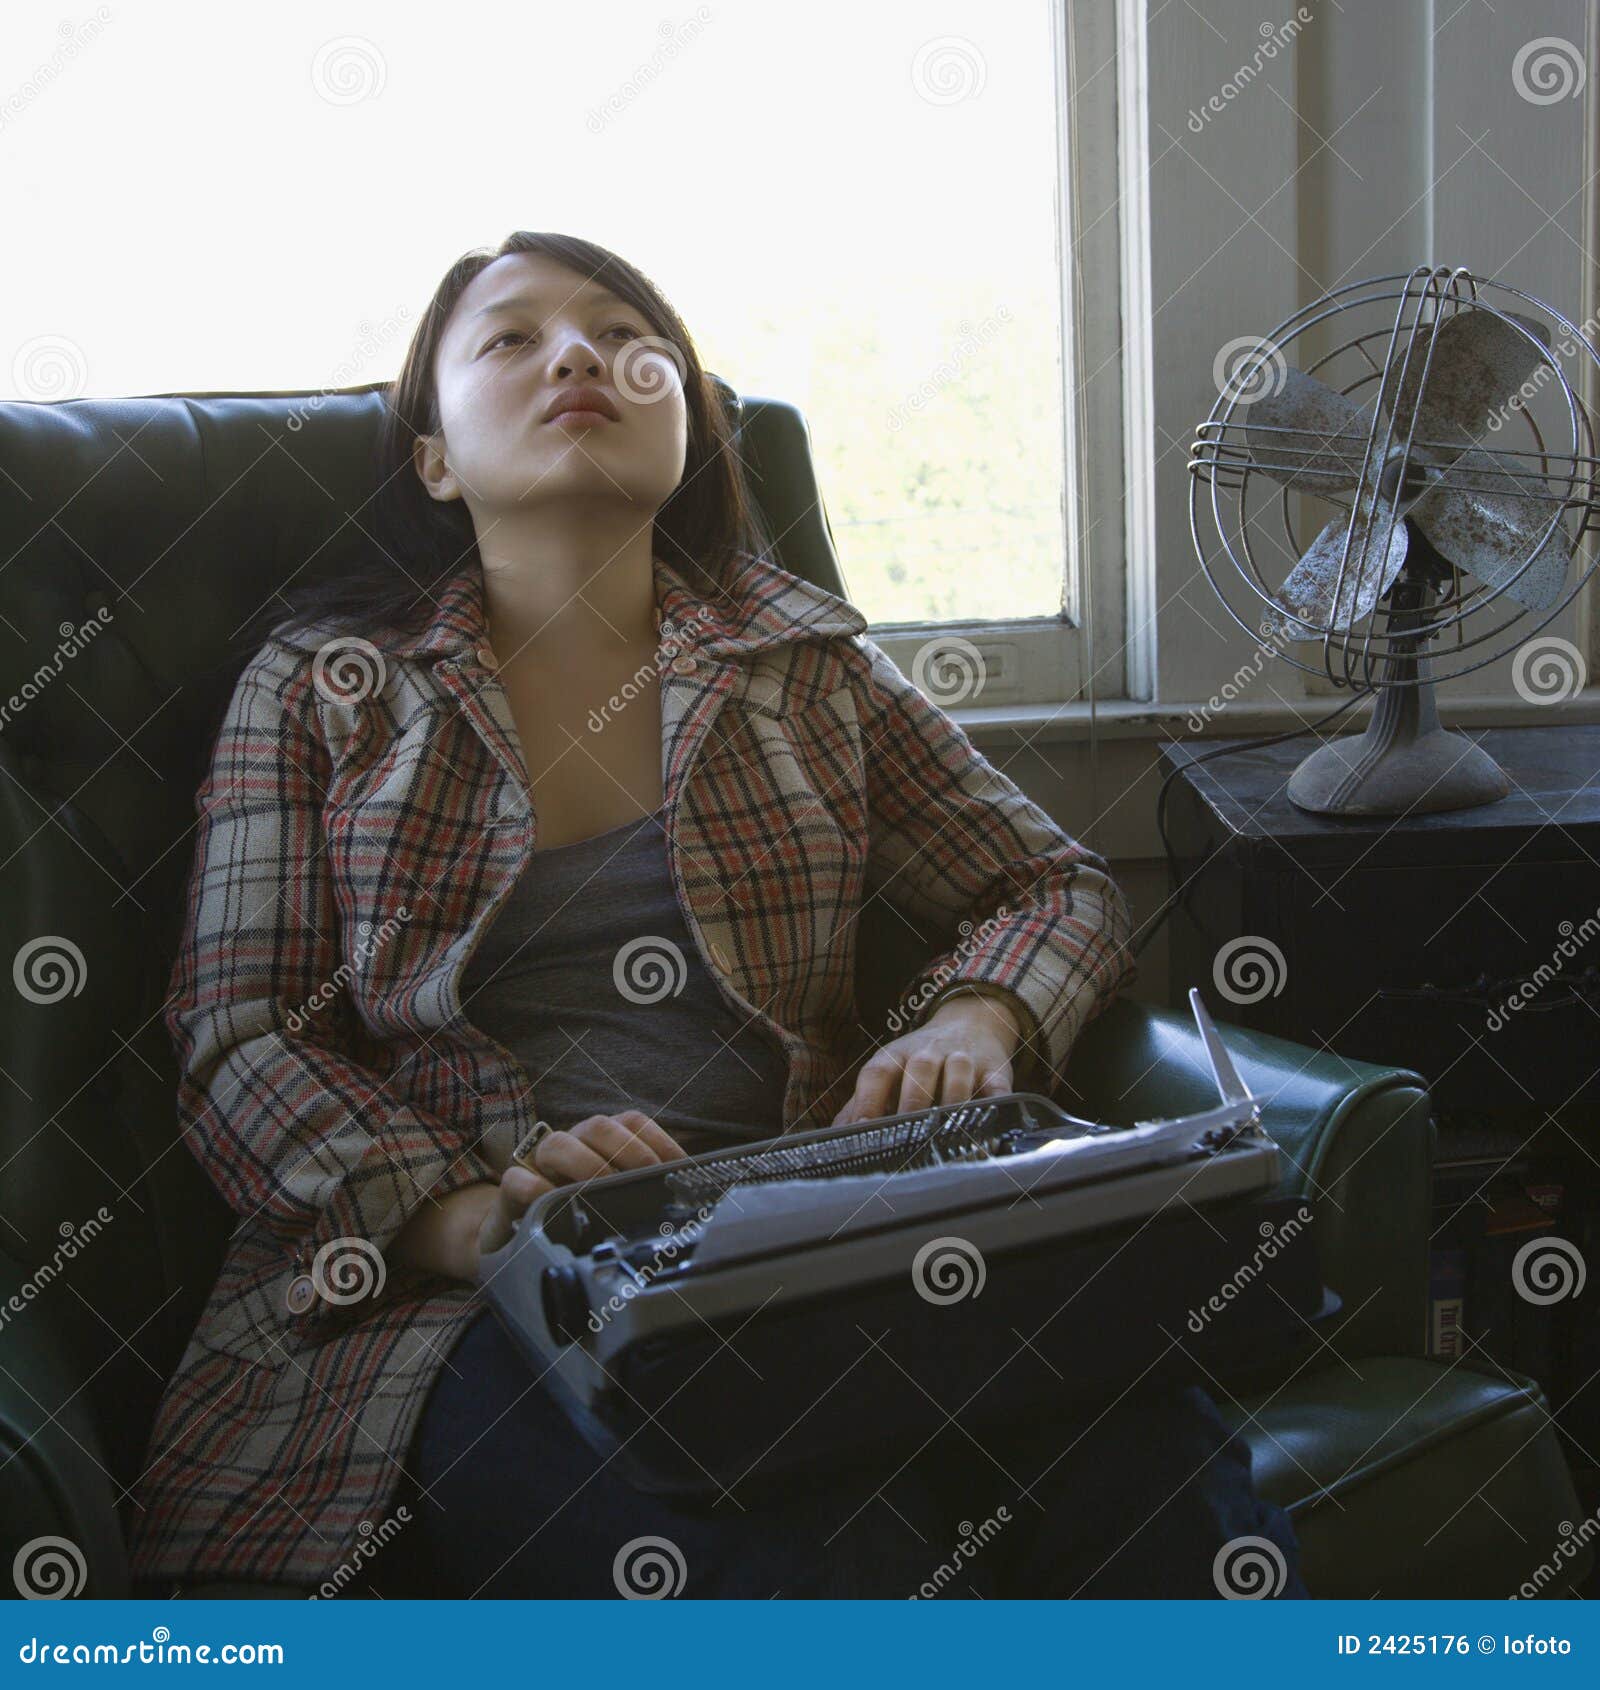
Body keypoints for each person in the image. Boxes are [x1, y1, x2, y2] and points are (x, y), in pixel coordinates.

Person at [128, 230, 1308, 1600]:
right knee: (803, 1567)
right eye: (510, 339)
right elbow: (243, 1032)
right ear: (436, 457)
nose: (578, 354)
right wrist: (465, 1213)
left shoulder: (806, 670)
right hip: (472, 1305)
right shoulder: (324, 687)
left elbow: (1048, 884)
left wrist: (980, 1016)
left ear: (685, 421)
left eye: (628, 338)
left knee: (1161, 1473)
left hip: (826, 1249)